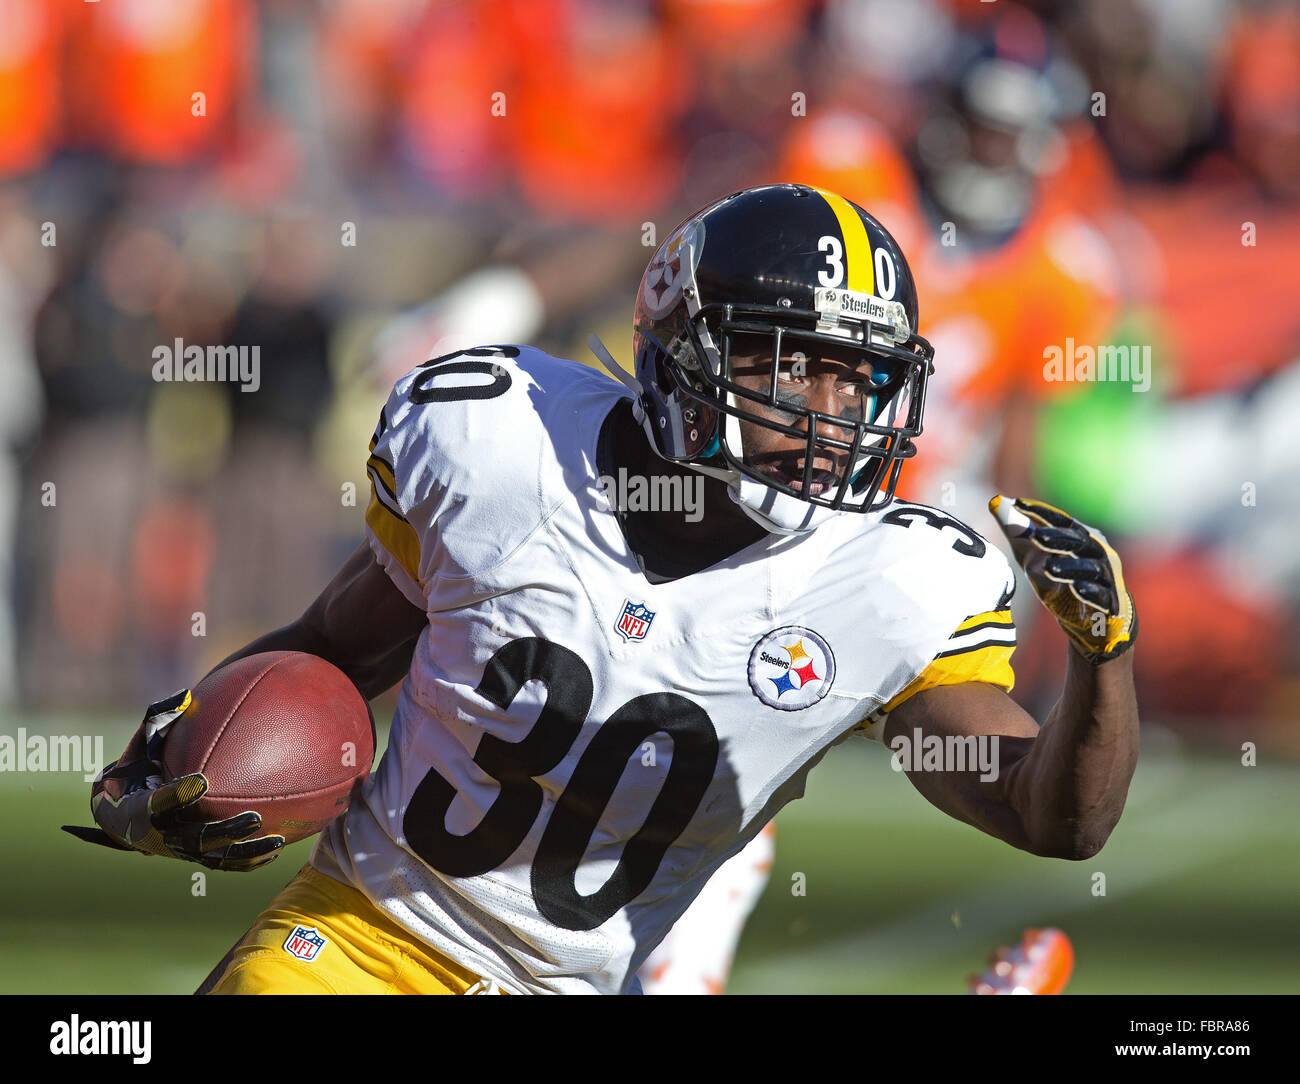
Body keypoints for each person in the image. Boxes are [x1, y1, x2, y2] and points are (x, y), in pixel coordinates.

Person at [67, 184, 1139, 995]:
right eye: (792, 364)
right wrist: (180, 744)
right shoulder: (500, 442)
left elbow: (1050, 816)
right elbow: (338, 647)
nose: (834, 415)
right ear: (685, 356)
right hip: (365, 938)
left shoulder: (890, 581)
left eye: (859, 378)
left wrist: (1102, 662)